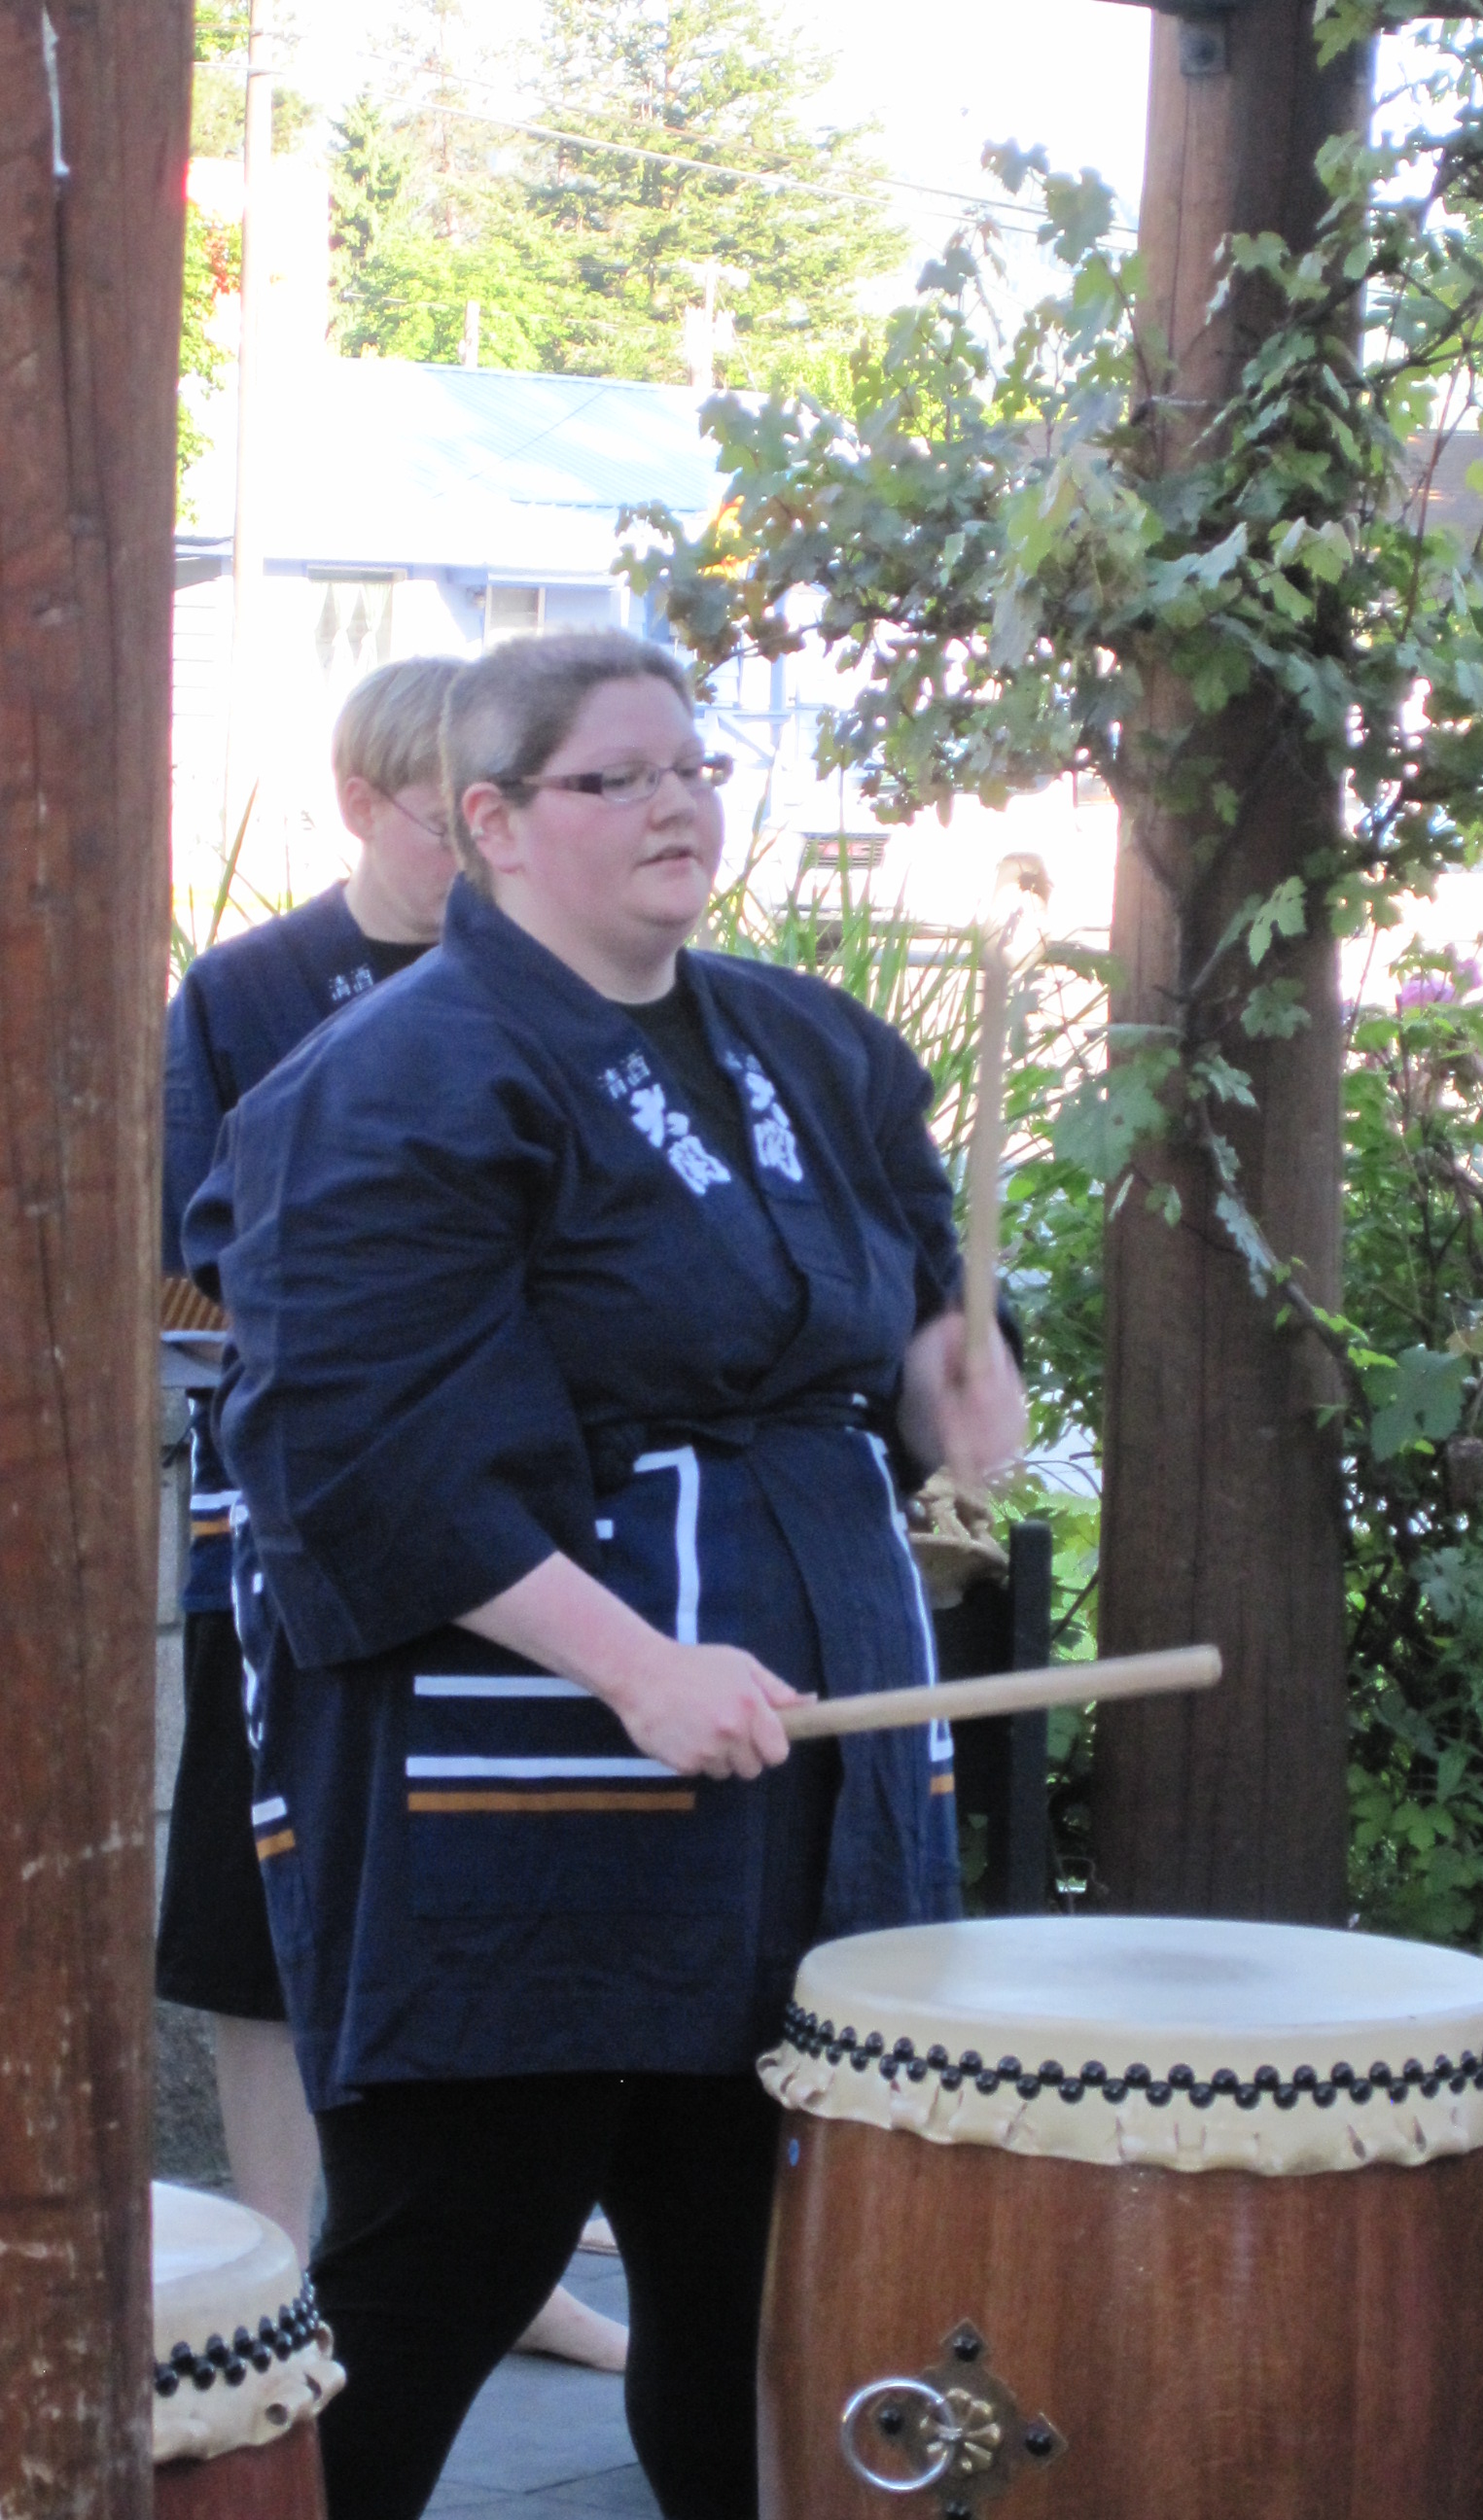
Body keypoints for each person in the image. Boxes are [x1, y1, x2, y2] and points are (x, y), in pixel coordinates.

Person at [183, 629, 1026, 2520]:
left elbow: (905, 1305)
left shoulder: (808, 1041)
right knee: (440, 2263)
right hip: (535, 1756)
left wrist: (949, 1374)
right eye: (617, 778)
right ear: (490, 822)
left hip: (807, 1743)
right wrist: (636, 1664)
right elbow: (363, 1445)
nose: (676, 806)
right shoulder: (383, 1081)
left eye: (694, 769)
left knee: (753, 2285)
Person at [159, 652, 624, 2371]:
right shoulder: (246, 991)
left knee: (505, 1904)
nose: (487, 860)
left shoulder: (582, 992)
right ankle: (283, 2281)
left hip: (543, 1551)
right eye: (454, 826)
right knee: (256, 1907)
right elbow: (206, 1257)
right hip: (287, 1549)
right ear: (365, 804)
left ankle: (500, 2277)